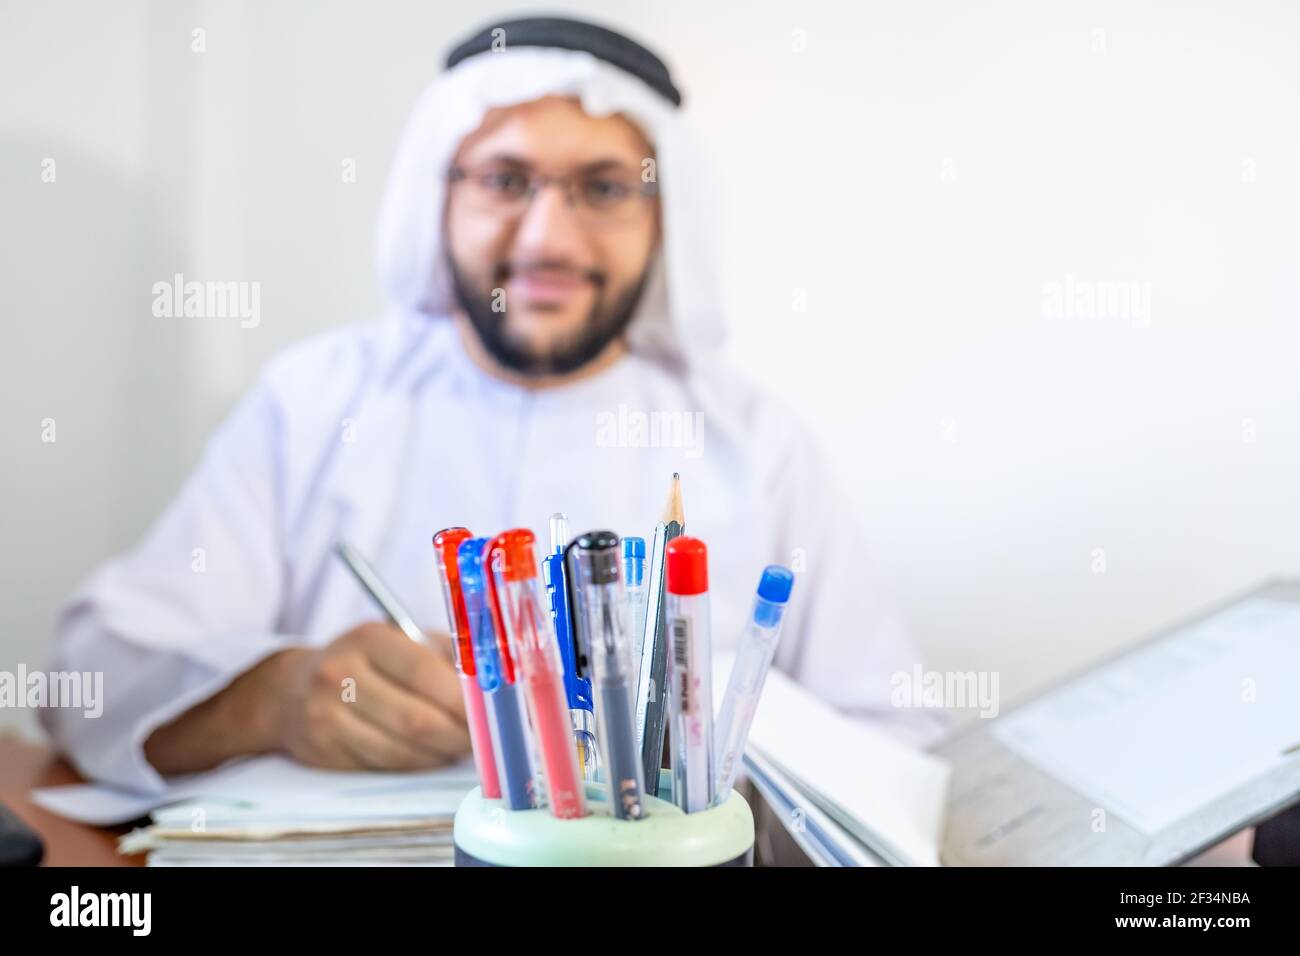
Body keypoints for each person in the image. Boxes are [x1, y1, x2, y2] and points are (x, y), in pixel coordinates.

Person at [41, 16, 947, 793]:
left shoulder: (758, 443)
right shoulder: (315, 402)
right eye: (506, 180)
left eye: (601, 189)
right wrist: (275, 698)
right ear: (440, 197)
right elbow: (89, 676)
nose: (548, 237)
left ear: (665, 219)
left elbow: (899, 751)